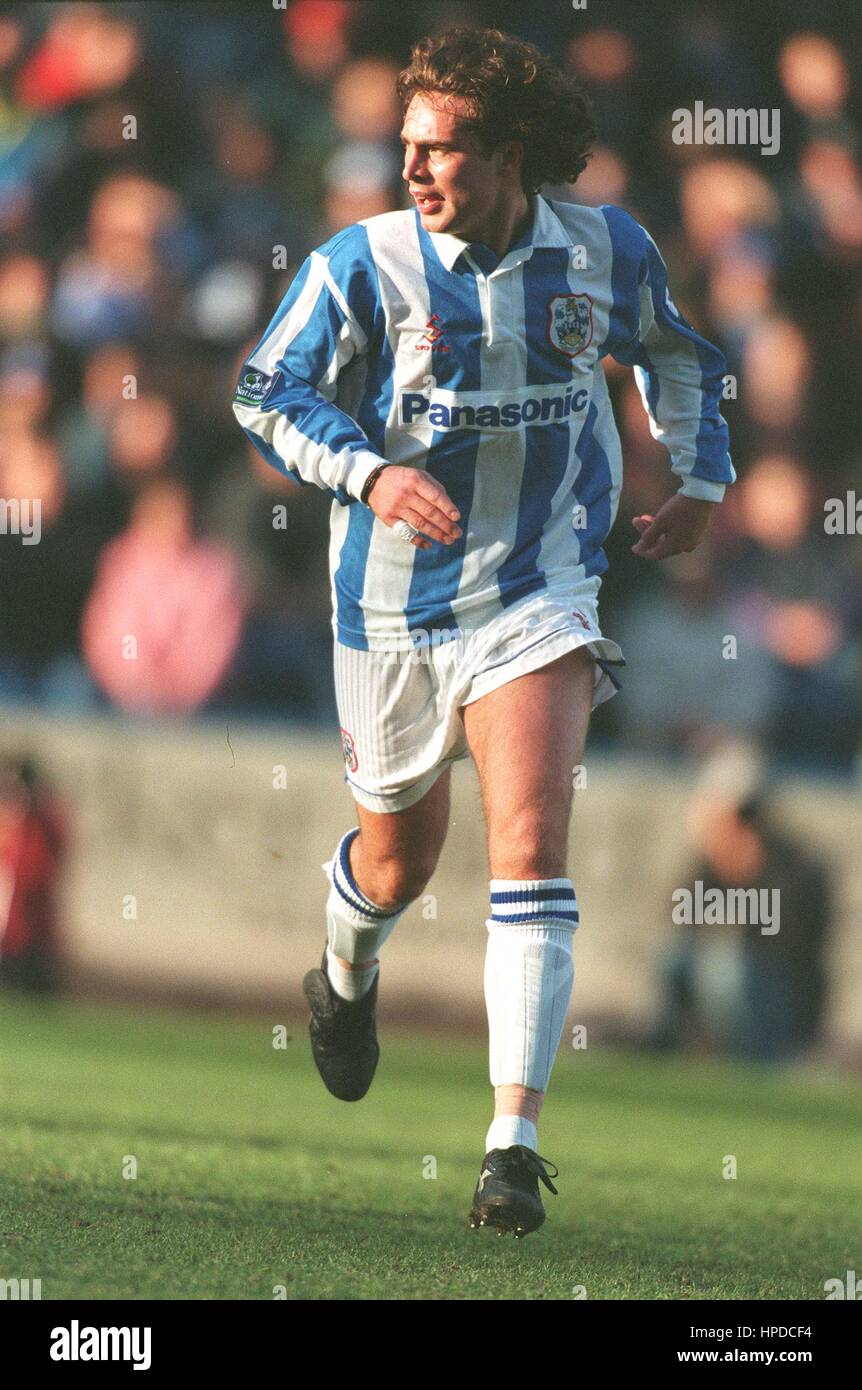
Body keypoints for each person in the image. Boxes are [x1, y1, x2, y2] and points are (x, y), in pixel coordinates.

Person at [233, 26, 733, 1237]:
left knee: (530, 839)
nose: (410, 168)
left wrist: (700, 480)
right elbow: (262, 387)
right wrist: (365, 472)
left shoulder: (605, 246)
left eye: (436, 148)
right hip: (393, 609)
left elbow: (676, 352)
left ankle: (511, 1144)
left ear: (508, 154)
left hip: (541, 584)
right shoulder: (364, 263)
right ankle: (346, 973)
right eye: (402, 145)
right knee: (397, 863)